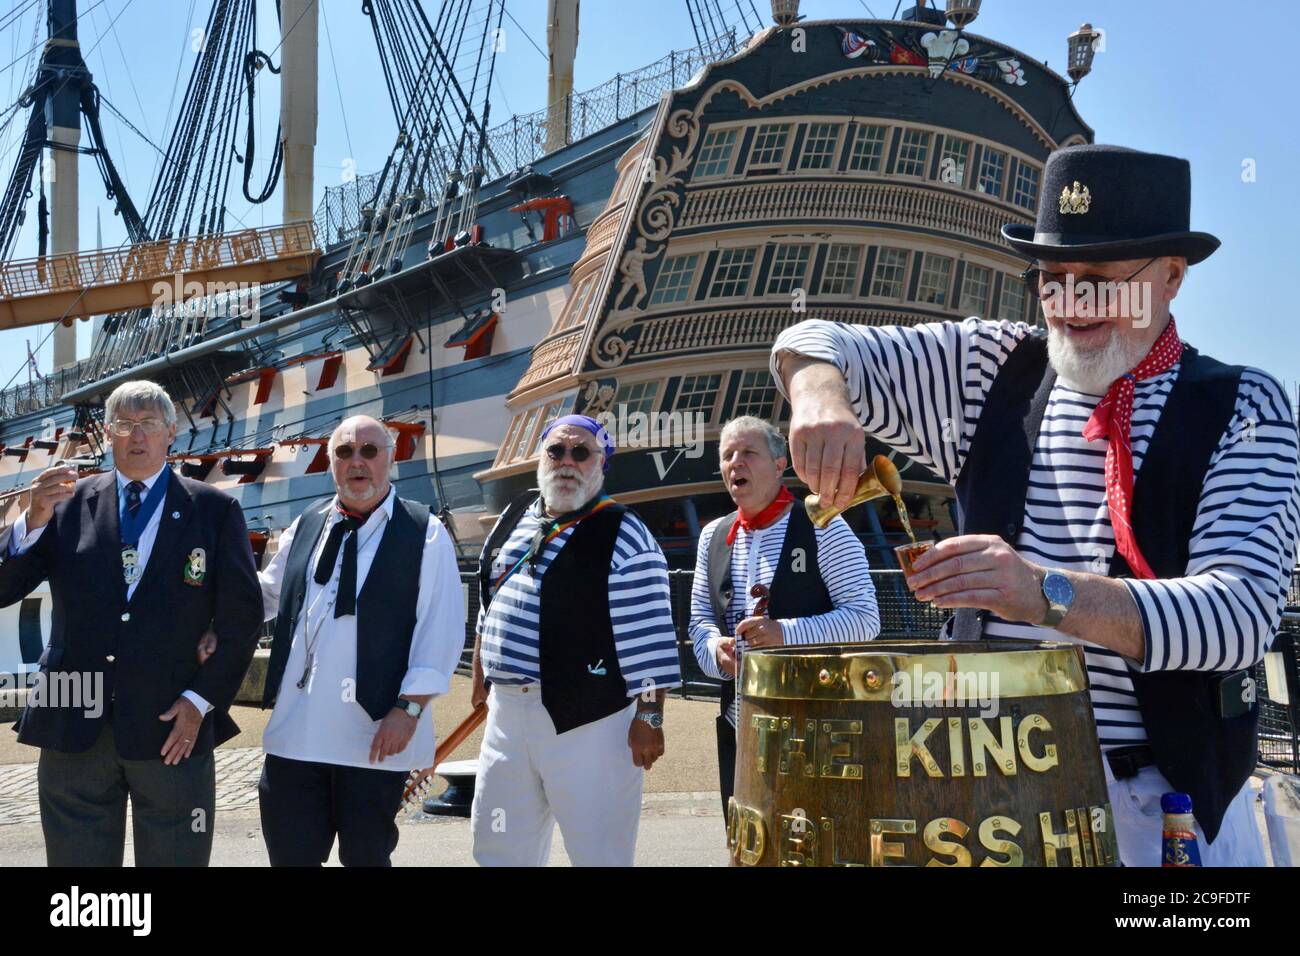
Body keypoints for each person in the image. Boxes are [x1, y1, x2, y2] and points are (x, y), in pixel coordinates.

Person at [771, 144, 1300, 866]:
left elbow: (1237, 619)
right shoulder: (988, 368)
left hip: (1162, 816)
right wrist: (819, 399)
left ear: (1172, 276)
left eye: (1102, 282)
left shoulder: (1244, 405)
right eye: (1053, 281)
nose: (1072, 306)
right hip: (989, 806)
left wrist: (1043, 593)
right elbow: (811, 339)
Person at [0, 380, 262, 866]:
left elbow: (241, 619)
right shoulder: (64, 504)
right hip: (71, 714)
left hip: (173, 723)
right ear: (107, 433)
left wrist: (200, 701)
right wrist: (30, 520)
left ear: (171, 433)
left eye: (148, 424)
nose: (135, 435)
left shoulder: (213, 508)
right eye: (123, 424)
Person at [469, 414, 681, 866]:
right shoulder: (515, 514)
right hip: (507, 713)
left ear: (602, 464)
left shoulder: (625, 531)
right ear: (541, 459)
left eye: (581, 453)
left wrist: (650, 715)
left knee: (599, 851)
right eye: (556, 451)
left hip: (591, 719)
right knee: (498, 844)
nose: (567, 462)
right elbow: (490, 595)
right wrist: (479, 668)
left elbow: (650, 632)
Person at [256, 415, 463, 866]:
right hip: (296, 735)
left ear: (390, 459)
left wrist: (408, 710)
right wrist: (207, 617)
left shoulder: (423, 532)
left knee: (367, 860)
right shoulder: (306, 525)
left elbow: (440, 630)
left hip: (375, 736)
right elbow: (266, 596)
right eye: (345, 452)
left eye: (370, 451)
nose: (357, 462)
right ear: (330, 463)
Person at [689, 416, 880, 817]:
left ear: (780, 466)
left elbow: (865, 619)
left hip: (813, 721)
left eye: (748, 453)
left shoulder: (824, 525)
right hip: (738, 722)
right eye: (727, 455)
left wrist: (784, 633)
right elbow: (700, 622)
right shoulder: (712, 536)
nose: (735, 463)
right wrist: (716, 651)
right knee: (746, 840)